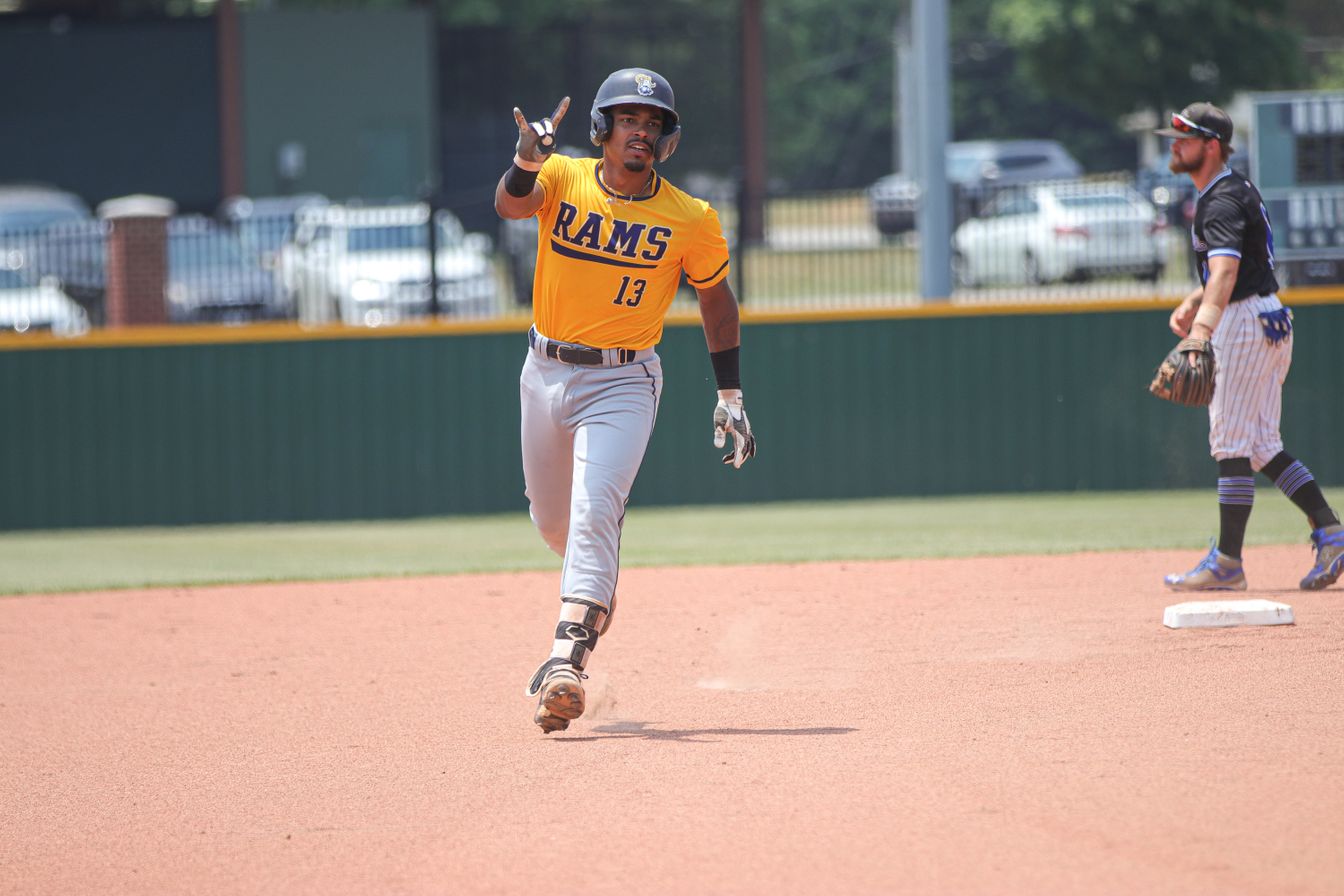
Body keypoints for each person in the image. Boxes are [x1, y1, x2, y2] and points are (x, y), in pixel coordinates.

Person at [494, 68, 757, 733]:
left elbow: (718, 305)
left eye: (653, 122)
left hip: (623, 380)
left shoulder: (690, 218)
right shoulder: (565, 178)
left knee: (591, 512)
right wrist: (528, 160)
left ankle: (565, 661)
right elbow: (511, 206)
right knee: (554, 520)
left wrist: (730, 391)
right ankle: (595, 584)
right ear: (603, 129)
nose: (640, 131)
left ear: (666, 140)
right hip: (545, 369)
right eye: (628, 119)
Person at [1156, 102, 1343, 592]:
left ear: (1210, 146)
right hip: (1269, 315)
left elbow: (1227, 272)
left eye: (1184, 139)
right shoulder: (1235, 189)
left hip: (1242, 324)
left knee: (1232, 444)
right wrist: (1195, 298)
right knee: (1261, 445)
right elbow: (1238, 266)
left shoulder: (1218, 200)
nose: (1173, 146)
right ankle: (1331, 531)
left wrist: (1201, 329)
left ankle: (1228, 562)